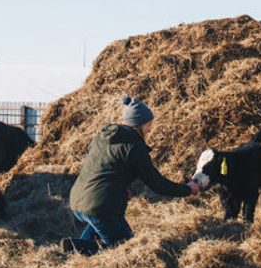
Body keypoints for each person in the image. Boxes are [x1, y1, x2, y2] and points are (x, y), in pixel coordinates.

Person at [61, 94, 202, 255]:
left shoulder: (101, 138)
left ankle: (75, 245)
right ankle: (73, 248)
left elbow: (102, 169)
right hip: (100, 207)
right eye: (148, 125)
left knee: (105, 228)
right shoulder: (134, 148)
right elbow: (158, 184)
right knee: (123, 249)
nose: (150, 129)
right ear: (139, 125)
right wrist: (187, 189)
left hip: (79, 201)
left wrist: (119, 189)